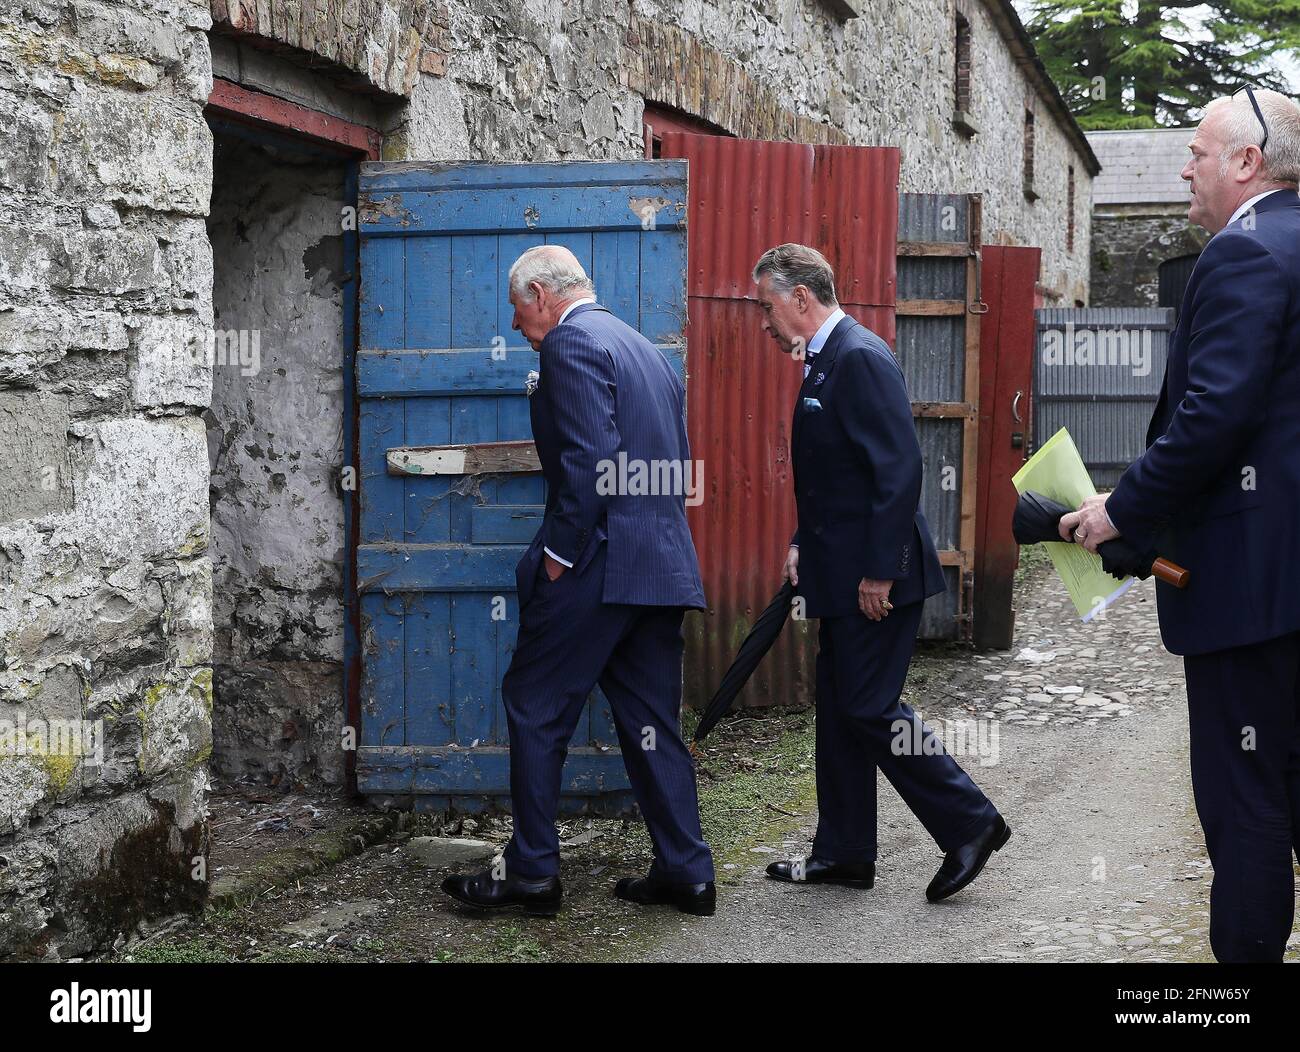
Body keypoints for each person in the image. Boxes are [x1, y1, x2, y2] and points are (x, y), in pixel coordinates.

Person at [1061, 89, 1300, 962]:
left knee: (1247, 814)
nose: (1182, 165)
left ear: (1247, 161)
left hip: (1253, 598)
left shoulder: (1244, 252)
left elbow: (1212, 417)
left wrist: (1119, 510)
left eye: (1197, 151)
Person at [440, 245, 716, 917]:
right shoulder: (641, 348)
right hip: (657, 567)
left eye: (516, 308)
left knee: (535, 706)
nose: (515, 324)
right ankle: (687, 870)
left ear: (539, 293)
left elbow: (592, 460)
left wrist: (560, 553)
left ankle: (532, 871)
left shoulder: (570, 343)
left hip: (595, 566)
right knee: (651, 722)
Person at [754, 243, 1010, 902]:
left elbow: (898, 473)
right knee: (841, 710)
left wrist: (879, 571)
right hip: (839, 575)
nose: (764, 321)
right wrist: (800, 543)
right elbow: (836, 479)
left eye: (767, 306)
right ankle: (843, 853)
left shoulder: (859, 358)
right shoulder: (823, 361)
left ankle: (970, 824)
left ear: (801, 299)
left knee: (869, 706)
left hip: (875, 580)